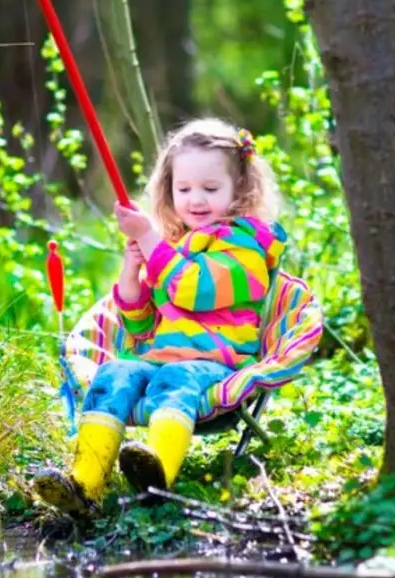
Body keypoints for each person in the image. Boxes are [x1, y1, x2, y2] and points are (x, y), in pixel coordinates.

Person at [34, 117, 287, 516]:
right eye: (183, 188)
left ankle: (159, 474)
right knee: (114, 373)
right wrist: (131, 271)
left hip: (215, 366)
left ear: (240, 188)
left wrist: (151, 241)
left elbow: (194, 289)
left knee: (175, 377)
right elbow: (138, 325)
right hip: (158, 359)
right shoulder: (173, 249)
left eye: (210, 188)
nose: (195, 199)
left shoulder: (247, 249)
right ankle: (86, 484)